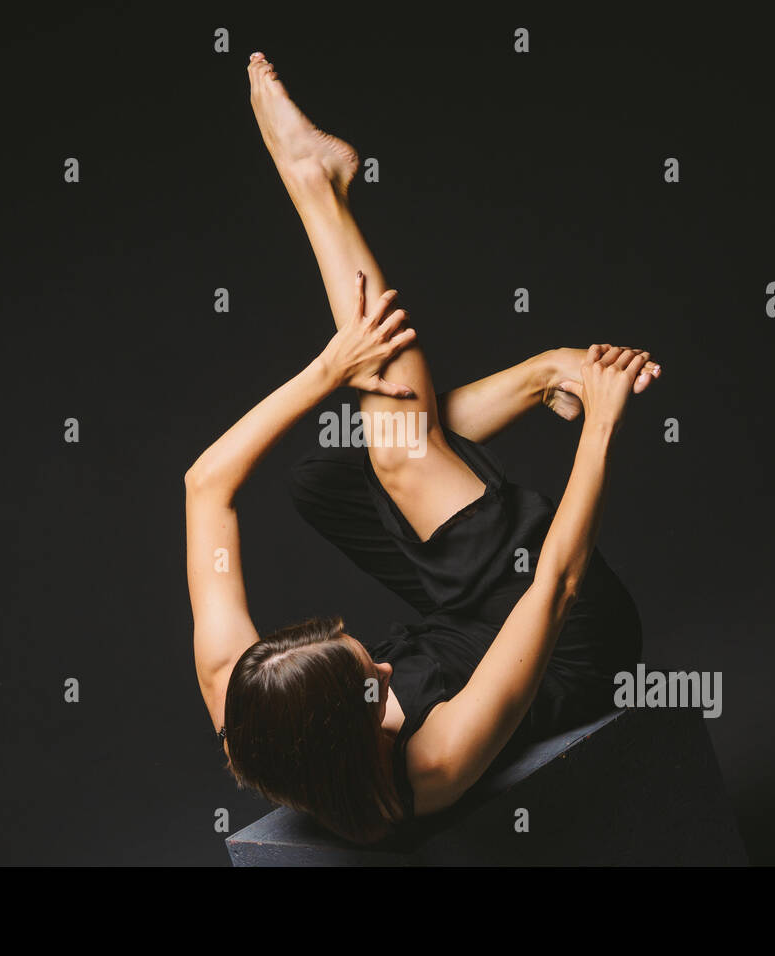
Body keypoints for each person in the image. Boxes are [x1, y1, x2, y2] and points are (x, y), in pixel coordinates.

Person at [185, 53, 661, 845]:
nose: (380, 660)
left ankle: (542, 372)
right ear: (351, 732)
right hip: (569, 639)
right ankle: (314, 187)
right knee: (402, 455)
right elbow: (557, 582)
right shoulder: (432, 766)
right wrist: (604, 421)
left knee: (327, 477)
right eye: (370, 678)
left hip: (464, 615)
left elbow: (206, 485)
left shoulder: (242, 701)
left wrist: (326, 371)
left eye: (359, 653)